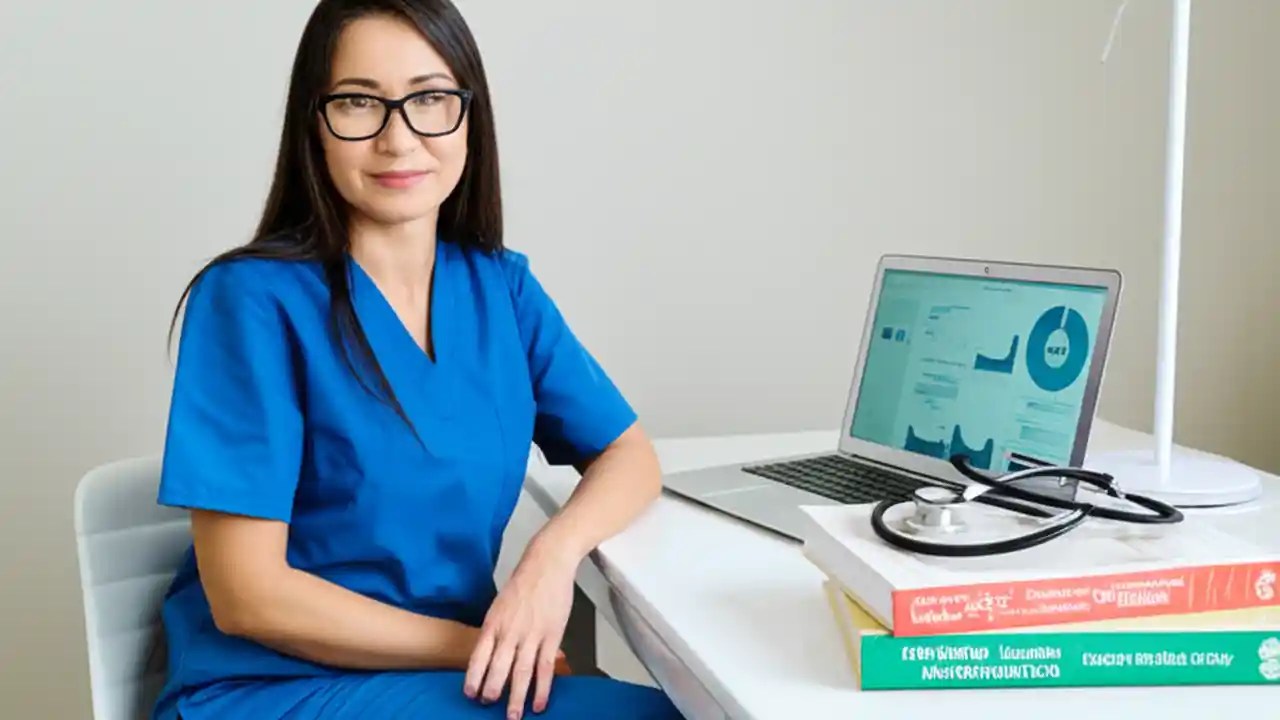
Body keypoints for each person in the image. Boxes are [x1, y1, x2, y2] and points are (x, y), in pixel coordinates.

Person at [152, 1, 685, 718]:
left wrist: (549, 563)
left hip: (448, 677)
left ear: (469, 116)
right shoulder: (249, 300)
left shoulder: (501, 287)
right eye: (359, 103)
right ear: (315, 121)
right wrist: (471, 644)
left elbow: (628, 454)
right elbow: (249, 595)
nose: (398, 138)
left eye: (430, 99)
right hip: (272, 689)